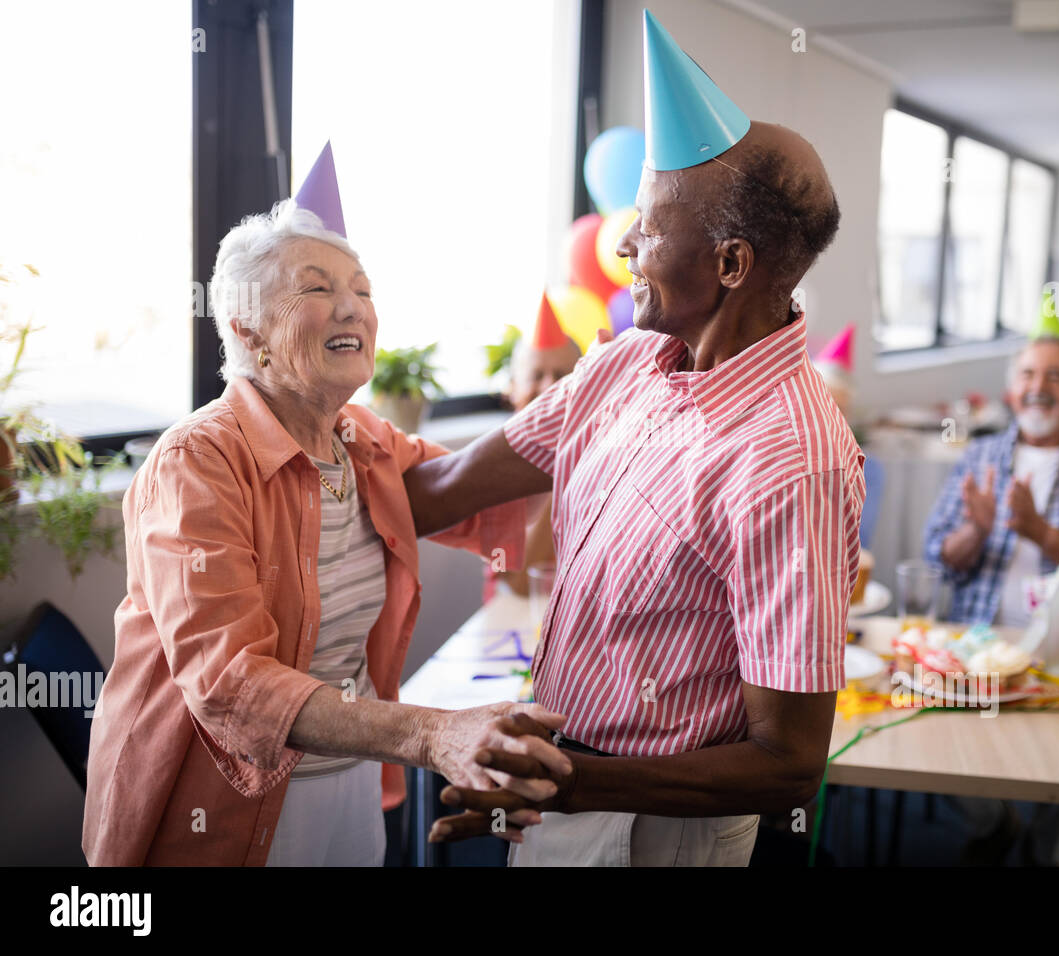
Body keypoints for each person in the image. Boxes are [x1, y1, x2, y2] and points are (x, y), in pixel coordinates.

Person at [402, 11, 865, 866]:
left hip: (658, 828)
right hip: (560, 790)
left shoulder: (792, 457)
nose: (622, 246)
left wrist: (570, 784)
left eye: (648, 228)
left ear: (731, 264)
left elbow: (789, 762)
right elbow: (435, 492)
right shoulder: (626, 365)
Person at [83, 159, 570, 866]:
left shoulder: (364, 441)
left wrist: (600, 414)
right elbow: (229, 685)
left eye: (363, 292)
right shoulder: (197, 462)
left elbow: (498, 504)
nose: (353, 309)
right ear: (245, 328)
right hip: (220, 800)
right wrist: (433, 735)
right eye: (318, 289)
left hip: (349, 784)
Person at [922, 333, 1059, 864]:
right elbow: (937, 555)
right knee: (932, 734)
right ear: (1010, 389)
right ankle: (997, 823)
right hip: (978, 642)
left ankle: (1048, 853)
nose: (1038, 388)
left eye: (1055, 376)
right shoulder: (980, 454)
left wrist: (1042, 533)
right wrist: (974, 532)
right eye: (1027, 375)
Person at [485, 295, 582, 601]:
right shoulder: (492, 464)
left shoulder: (611, 448)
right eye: (536, 375)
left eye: (564, 376)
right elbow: (520, 584)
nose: (550, 388)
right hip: (511, 615)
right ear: (512, 388)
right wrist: (571, 466)